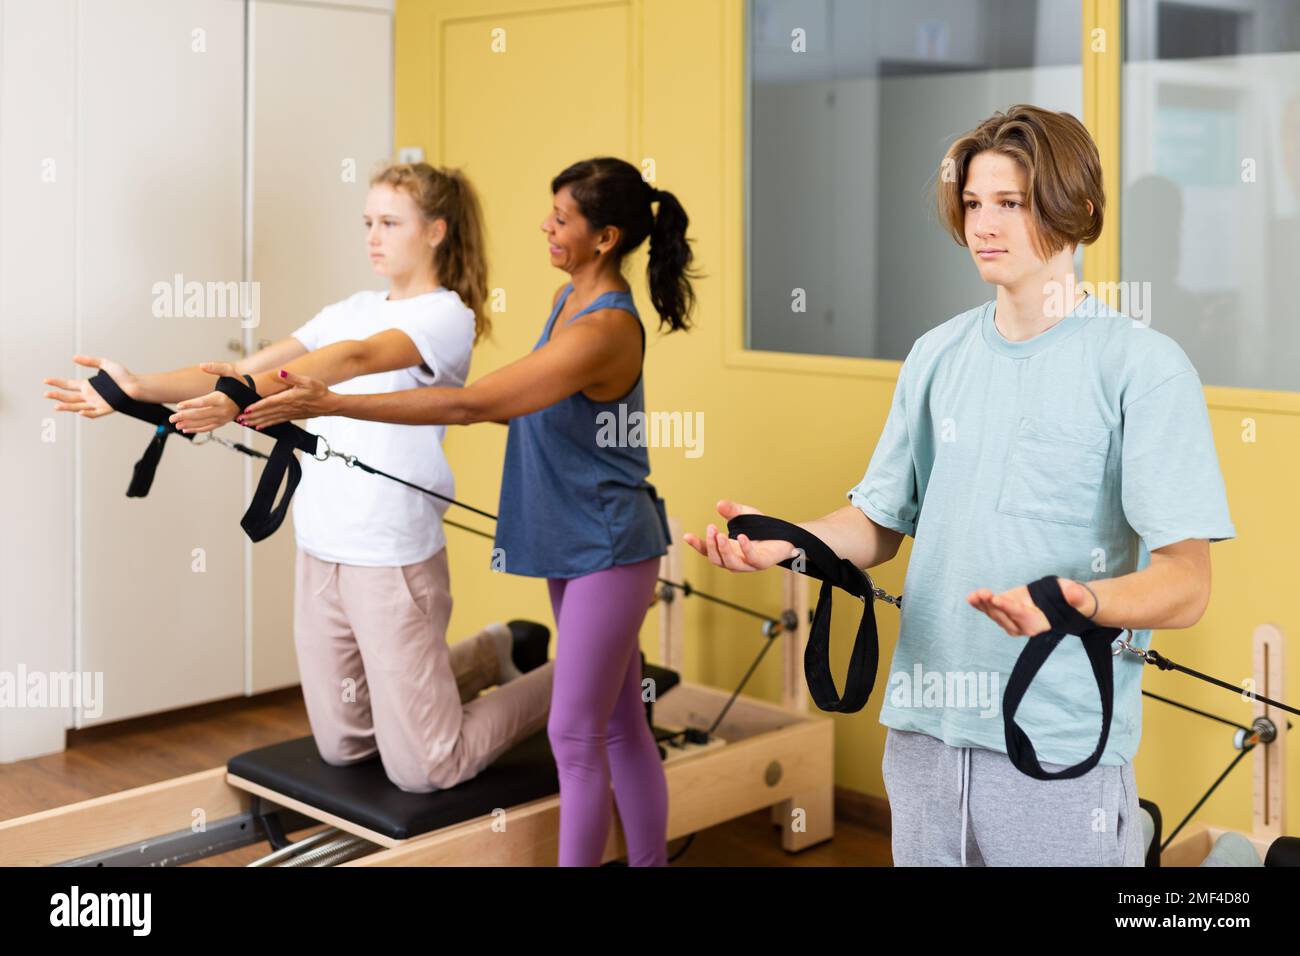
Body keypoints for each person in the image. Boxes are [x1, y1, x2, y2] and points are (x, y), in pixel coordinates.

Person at [685, 105, 1235, 866]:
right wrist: (793, 544)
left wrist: (1086, 602)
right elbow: (878, 524)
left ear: (1077, 208)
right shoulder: (936, 355)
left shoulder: (1143, 366)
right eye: (975, 203)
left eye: (1009, 203)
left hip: (1056, 737)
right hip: (924, 728)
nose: (985, 224)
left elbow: (1188, 581)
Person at [168, 157, 699, 867]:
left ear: (605, 238)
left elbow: (474, 404)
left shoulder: (604, 327)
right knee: (619, 723)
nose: (545, 223)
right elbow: (537, 414)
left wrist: (331, 402)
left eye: (562, 217)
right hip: (572, 540)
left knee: (578, 735)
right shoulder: (565, 300)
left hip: (611, 544)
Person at [43, 163, 553, 794]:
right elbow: (240, 369)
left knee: (426, 769)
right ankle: (493, 652)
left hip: (391, 556)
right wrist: (135, 388)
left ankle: (575, 678)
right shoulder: (350, 308)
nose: (373, 235)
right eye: (368, 221)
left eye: (390, 222)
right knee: (344, 745)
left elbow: (353, 358)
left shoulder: (447, 316)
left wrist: (239, 397)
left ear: (437, 232)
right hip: (320, 546)